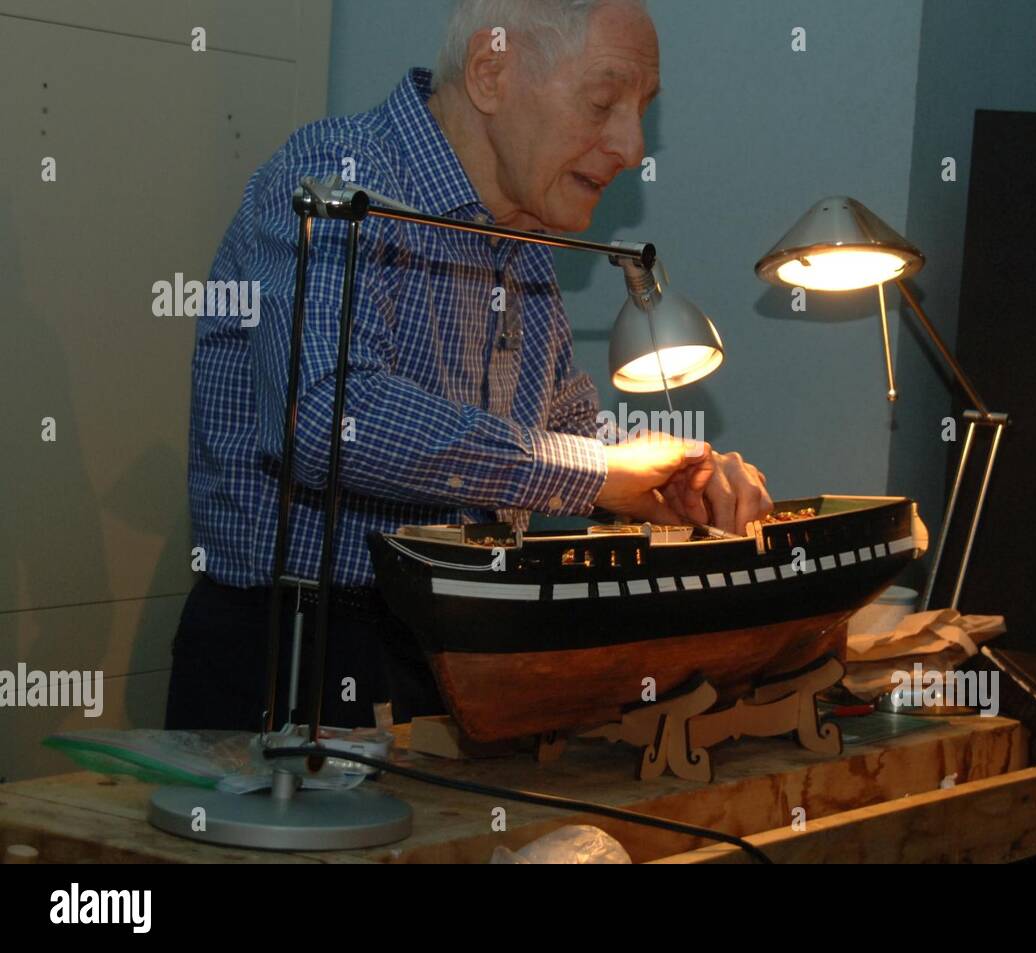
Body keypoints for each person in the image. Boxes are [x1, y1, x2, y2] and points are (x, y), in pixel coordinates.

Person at [165, 0, 772, 732]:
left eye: (643, 109)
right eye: (604, 101)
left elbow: (563, 431)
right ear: (490, 71)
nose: (630, 143)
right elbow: (328, 412)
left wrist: (669, 480)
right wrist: (594, 473)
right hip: (301, 651)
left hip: (458, 647)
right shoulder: (338, 175)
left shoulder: (525, 232)